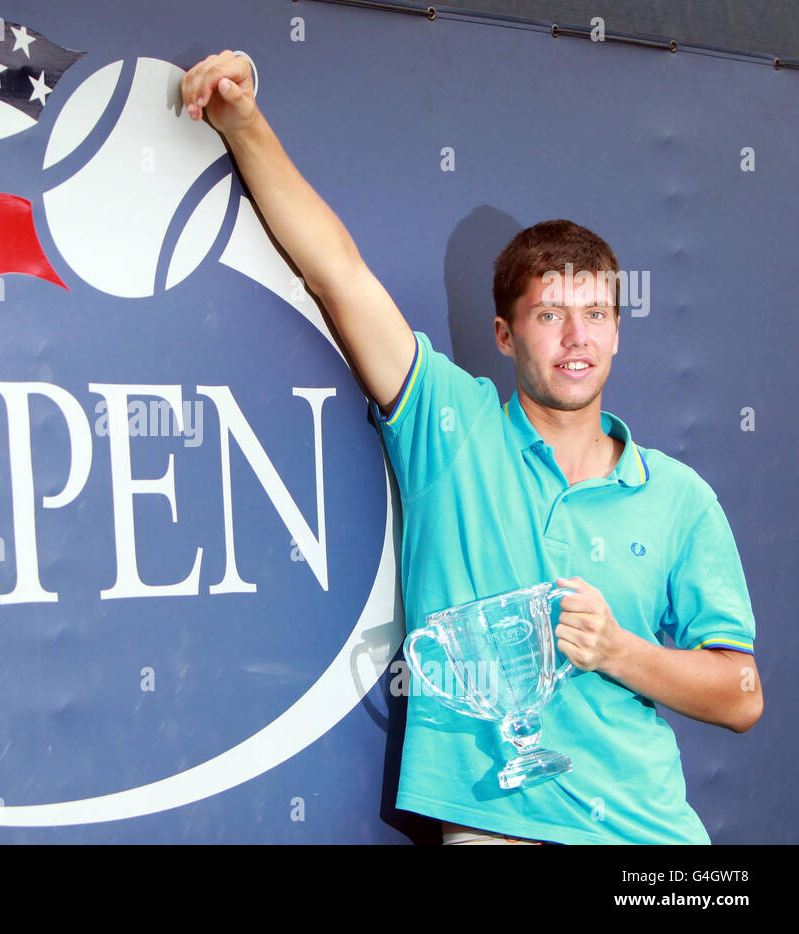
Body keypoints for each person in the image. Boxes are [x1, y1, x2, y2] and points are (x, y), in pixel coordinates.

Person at [180, 51, 762, 844]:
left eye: (595, 314)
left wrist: (618, 649)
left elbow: (740, 694)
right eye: (550, 314)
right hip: (496, 825)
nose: (575, 337)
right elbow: (338, 274)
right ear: (505, 333)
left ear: (619, 333)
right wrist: (242, 122)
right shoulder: (449, 424)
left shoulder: (680, 496)